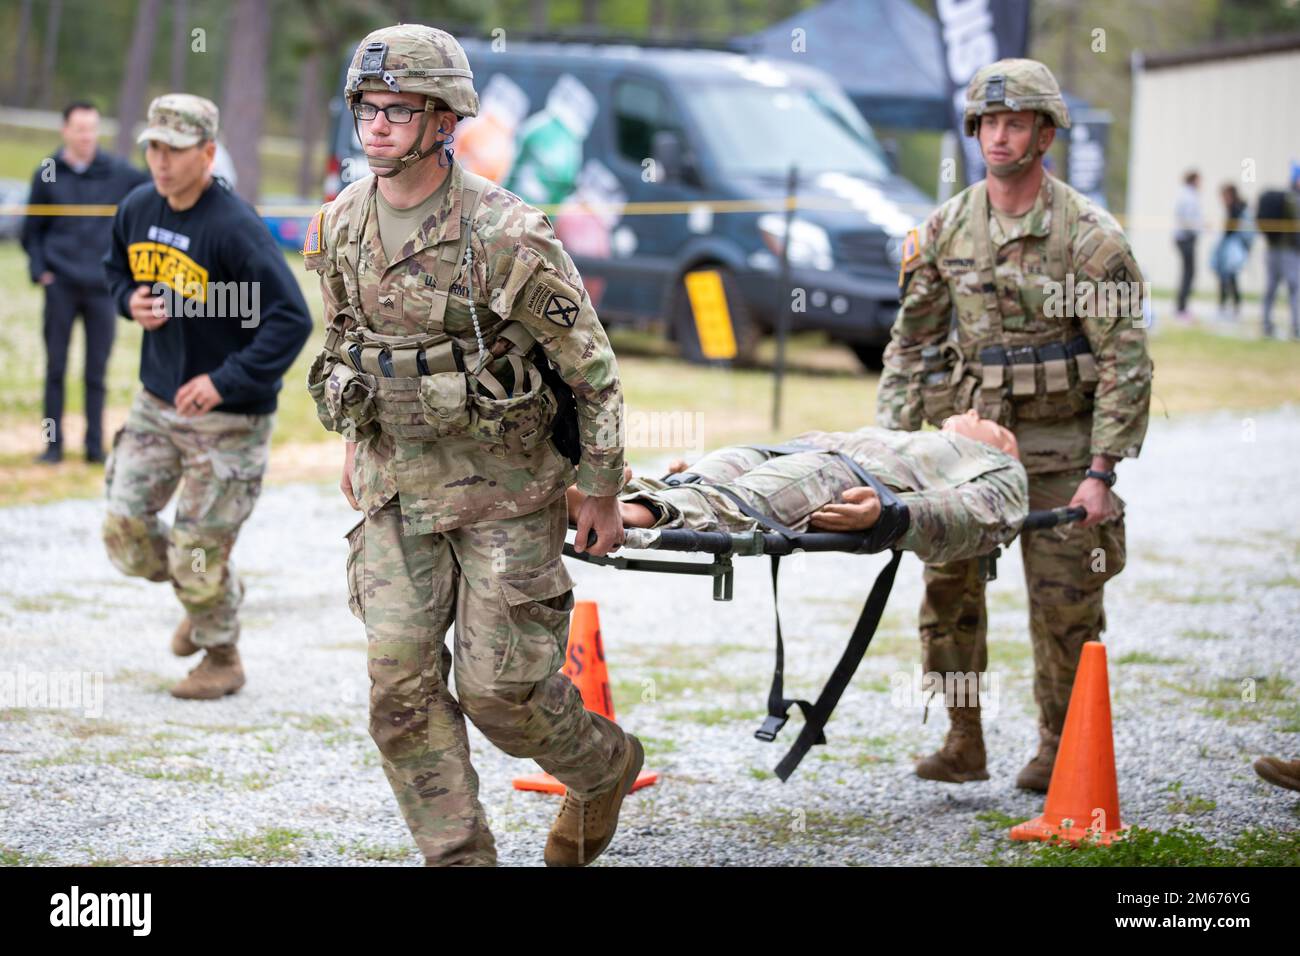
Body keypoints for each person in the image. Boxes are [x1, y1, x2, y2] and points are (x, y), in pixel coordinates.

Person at [302, 25, 640, 868]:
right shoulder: (340, 223)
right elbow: (347, 338)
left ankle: (605, 769)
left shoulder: (504, 233)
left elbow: (590, 368)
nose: (376, 126)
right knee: (400, 694)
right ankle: (459, 857)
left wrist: (599, 488)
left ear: (445, 120)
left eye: (397, 110)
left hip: (506, 489)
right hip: (397, 489)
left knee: (502, 696)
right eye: (365, 109)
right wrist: (355, 436)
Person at [877, 59, 1152, 791]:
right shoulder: (947, 227)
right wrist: (893, 453)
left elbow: (1126, 363)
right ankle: (964, 740)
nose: (999, 137)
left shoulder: (1090, 238)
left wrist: (1102, 474)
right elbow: (911, 341)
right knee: (948, 593)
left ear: (1044, 133)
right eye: (989, 123)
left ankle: (1062, 749)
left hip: (1062, 452)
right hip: (969, 448)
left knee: (1065, 604)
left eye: (1016, 123)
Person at [101, 94, 312, 699]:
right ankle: (214, 587)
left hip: (229, 420)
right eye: (154, 147)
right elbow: (115, 269)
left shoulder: (234, 228)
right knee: (124, 532)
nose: (160, 160)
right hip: (156, 404)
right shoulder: (139, 207)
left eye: (175, 148)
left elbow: (290, 319)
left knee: (195, 550)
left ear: (209, 154)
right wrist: (127, 301)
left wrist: (225, 380)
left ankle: (222, 657)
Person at [568, 411, 1028, 571]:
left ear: (1002, 443)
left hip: (841, 475)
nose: (969, 410)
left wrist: (892, 514)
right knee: (702, 480)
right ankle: (621, 493)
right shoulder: (919, 438)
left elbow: (984, 516)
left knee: (743, 503)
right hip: (789, 450)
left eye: (982, 417)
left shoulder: (1000, 468)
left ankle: (631, 514)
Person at [20, 102, 150, 464]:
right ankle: (52, 446)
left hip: (102, 286)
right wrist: (40, 270)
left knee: (96, 372)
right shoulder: (47, 171)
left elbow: (155, 188)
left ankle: (94, 447)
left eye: (92, 128)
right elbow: (31, 231)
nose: (87, 136)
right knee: (55, 368)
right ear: (65, 130)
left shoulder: (117, 172)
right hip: (59, 283)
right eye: (80, 129)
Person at [1257, 166, 1299, 339]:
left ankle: (1266, 325)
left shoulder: (1280, 198)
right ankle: (1297, 327)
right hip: (1289, 252)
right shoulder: (1293, 200)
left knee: (1271, 289)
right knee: (1295, 288)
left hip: (1272, 250)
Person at [1212, 183, 1250, 322]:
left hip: (1232, 249)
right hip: (1229, 248)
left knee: (1230, 278)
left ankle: (1233, 306)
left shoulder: (1237, 209)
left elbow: (1231, 231)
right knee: (1225, 278)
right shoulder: (1234, 208)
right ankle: (1225, 306)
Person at [1174, 169, 1202, 323]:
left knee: (1187, 273)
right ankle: (1181, 308)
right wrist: (1200, 226)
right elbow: (1187, 219)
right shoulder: (1188, 196)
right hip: (1186, 238)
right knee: (1188, 274)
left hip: (1185, 238)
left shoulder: (1186, 194)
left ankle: (1182, 307)